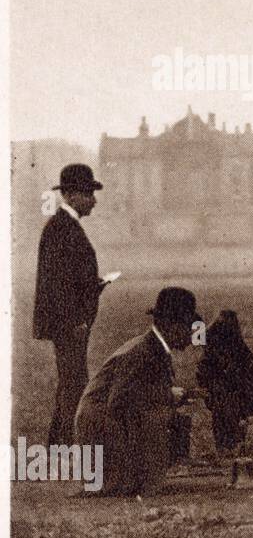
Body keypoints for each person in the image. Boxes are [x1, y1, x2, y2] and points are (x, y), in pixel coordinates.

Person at [75, 287, 203, 497]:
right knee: (158, 418)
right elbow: (119, 399)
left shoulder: (153, 347)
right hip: (102, 424)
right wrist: (168, 396)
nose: (192, 336)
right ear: (172, 326)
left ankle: (136, 477)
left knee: (168, 418)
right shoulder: (142, 352)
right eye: (189, 328)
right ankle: (126, 479)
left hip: (110, 420)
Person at [34, 163, 109, 445]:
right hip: (70, 323)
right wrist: (75, 321)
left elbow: (69, 279)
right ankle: (65, 449)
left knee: (71, 382)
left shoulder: (64, 226)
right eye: (89, 193)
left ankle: (57, 447)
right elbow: (58, 285)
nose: (94, 200)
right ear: (74, 195)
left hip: (72, 321)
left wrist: (94, 285)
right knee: (74, 384)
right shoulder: (61, 228)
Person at [196, 310, 253, 455]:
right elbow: (204, 367)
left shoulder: (239, 350)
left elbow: (249, 374)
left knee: (232, 413)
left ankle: (232, 445)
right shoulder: (216, 343)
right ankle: (227, 445)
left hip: (233, 387)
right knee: (224, 413)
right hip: (221, 386)